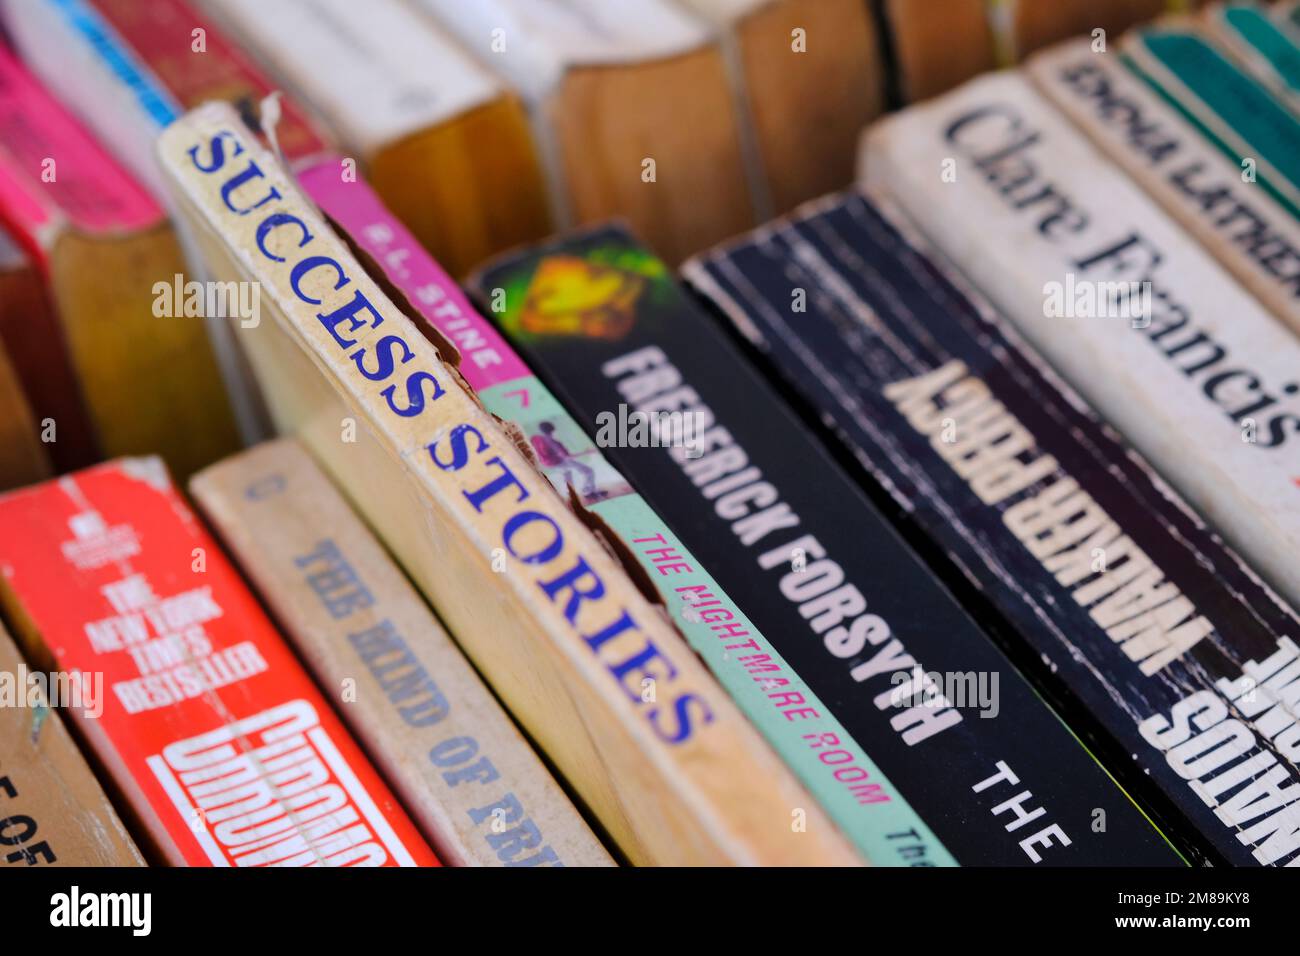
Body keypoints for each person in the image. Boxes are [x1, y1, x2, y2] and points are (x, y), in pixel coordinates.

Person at [530, 420, 598, 500]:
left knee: (567, 475)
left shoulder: (537, 439)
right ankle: (588, 492)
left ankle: (572, 496)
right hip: (559, 462)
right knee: (588, 471)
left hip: (549, 463)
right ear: (553, 430)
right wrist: (587, 452)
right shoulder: (554, 442)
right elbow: (568, 457)